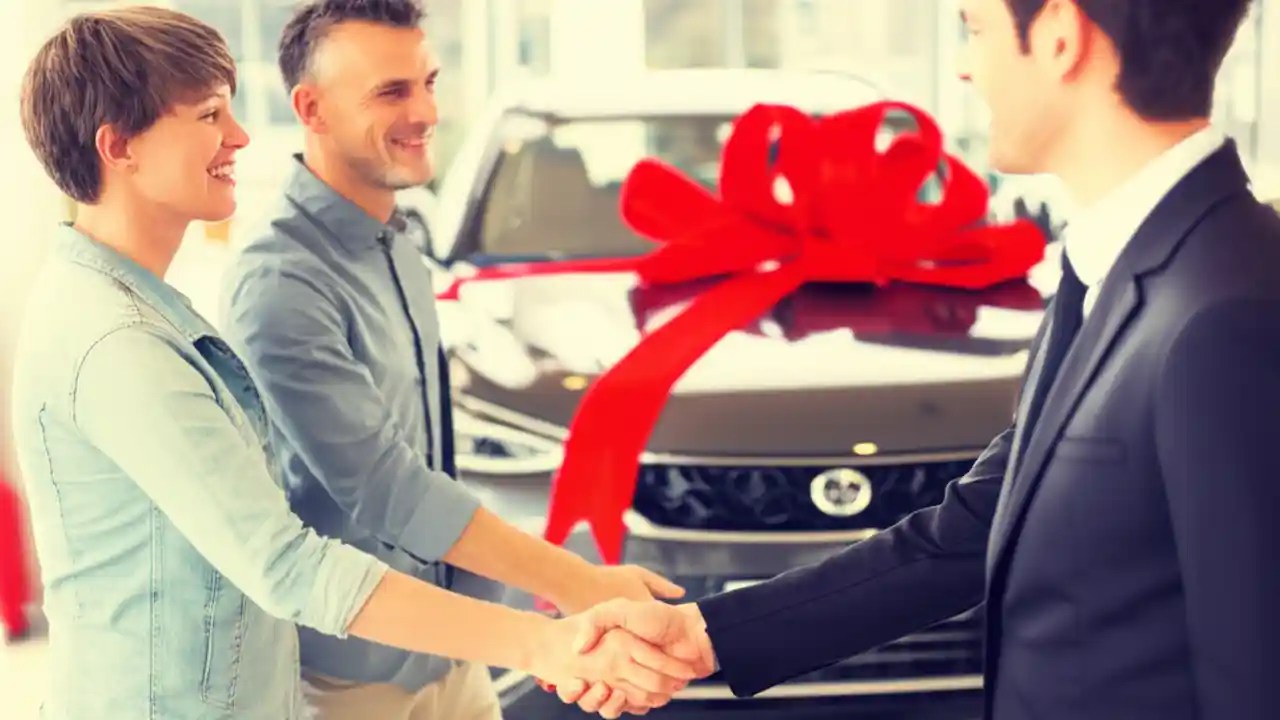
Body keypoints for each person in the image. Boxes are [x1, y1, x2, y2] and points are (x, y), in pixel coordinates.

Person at [563, 0, 1280, 717]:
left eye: (974, 28)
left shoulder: (1229, 312)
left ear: (1060, 37)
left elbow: (1258, 674)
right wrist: (706, 632)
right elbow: (971, 532)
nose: (965, 67)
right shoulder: (1113, 267)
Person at [10, 8, 695, 719]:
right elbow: (292, 560)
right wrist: (550, 640)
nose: (240, 136)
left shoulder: (148, 311)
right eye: (210, 114)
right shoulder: (122, 341)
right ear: (119, 147)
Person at [217, 1, 686, 717]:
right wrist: (577, 583)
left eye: (428, 82)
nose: (426, 111)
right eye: (392, 91)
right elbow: (389, 489)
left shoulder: (396, 238)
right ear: (310, 108)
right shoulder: (282, 282)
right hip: (350, 678)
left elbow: (433, 459)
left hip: (453, 651)